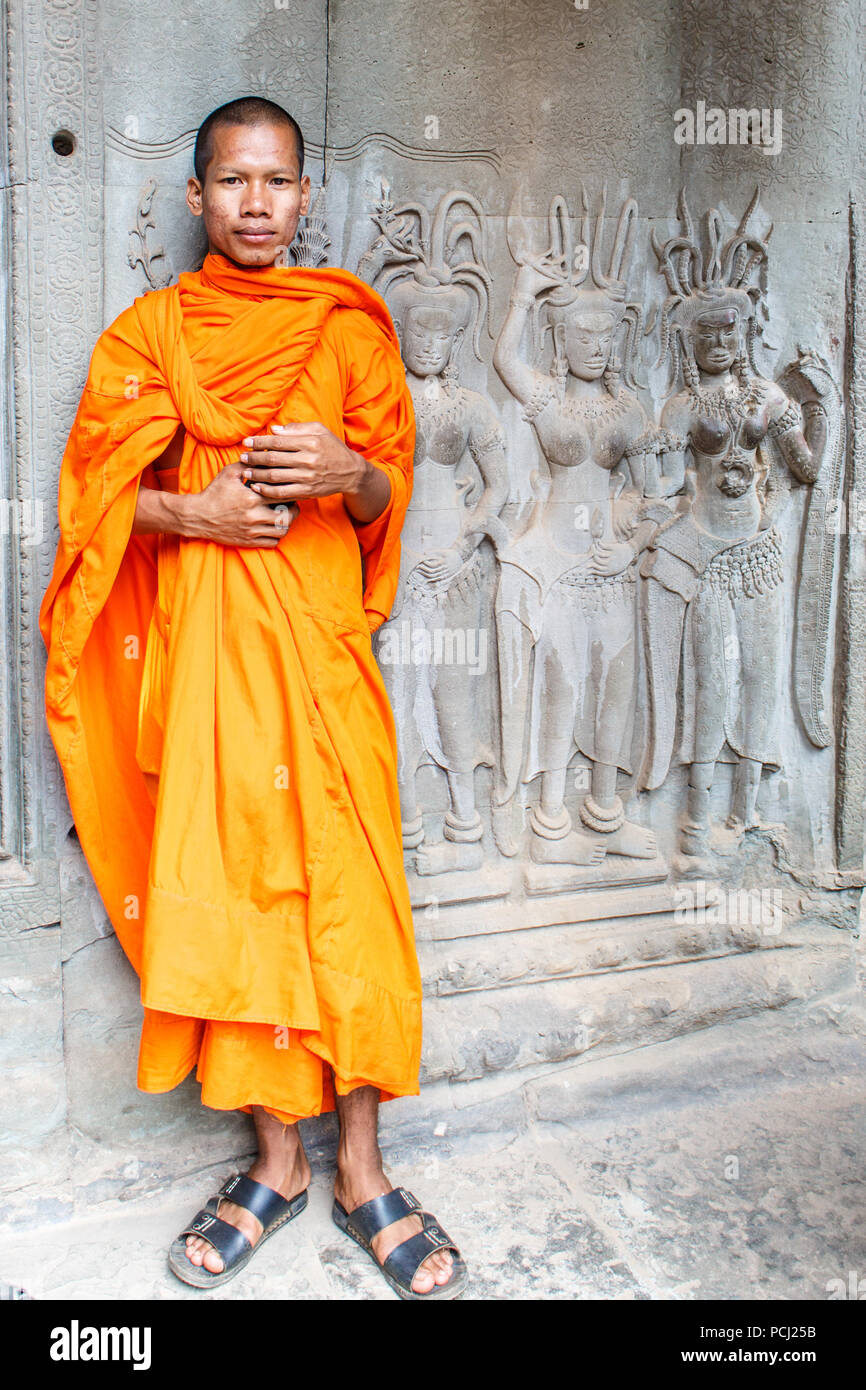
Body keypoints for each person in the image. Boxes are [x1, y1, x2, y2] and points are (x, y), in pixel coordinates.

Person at [38, 96, 466, 1301]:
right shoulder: (149, 338)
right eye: (233, 182)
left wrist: (351, 473)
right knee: (239, 899)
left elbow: (389, 496)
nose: (257, 204)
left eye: (277, 182)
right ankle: (275, 1162)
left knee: (357, 898)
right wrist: (194, 513)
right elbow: (92, 514)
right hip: (213, 680)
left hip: (323, 664)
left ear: (305, 196)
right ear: (196, 198)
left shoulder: (346, 332)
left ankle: (364, 1169)